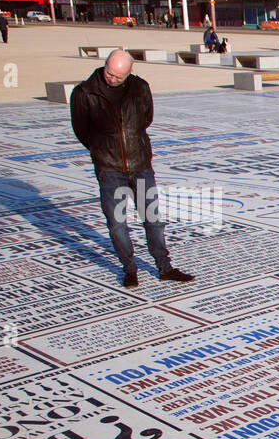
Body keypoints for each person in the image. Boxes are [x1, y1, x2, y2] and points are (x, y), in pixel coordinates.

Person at [69, 50, 194, 288]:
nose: (112, 79)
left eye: (118, 76)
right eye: (109, 72)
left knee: (153, 220)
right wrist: (102, 148)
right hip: (109, 168)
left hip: (140, 166)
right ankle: (129, 268)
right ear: (104, 66)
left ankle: (164, 267)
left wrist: (132, 142)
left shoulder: (140, 88)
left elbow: (145, 119)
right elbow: (81, 130)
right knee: (117, 224)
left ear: (129, 72)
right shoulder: (84, 93)